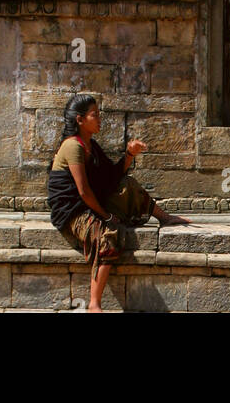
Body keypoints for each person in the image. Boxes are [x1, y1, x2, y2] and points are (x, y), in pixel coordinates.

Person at [47, 92, 190, 312]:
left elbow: (111, 177)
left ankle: (164, 217)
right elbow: (83, 192)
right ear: (80, 120)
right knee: (107, 235)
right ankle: (94, 303)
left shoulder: (91, 145)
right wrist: (106, 216)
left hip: (89, 203)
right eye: (94, 115)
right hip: (72, 211)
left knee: (127, 185)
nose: (99, 119)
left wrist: (129, 154)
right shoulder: (72, 147)